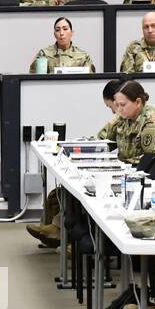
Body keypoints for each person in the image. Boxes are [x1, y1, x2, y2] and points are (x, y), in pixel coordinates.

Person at [27, 80, 121, 249]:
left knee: (79, 195)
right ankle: (58, 233)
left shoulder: (149, 122)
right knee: (62, 192)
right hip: (117, 172)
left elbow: (149, 162)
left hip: (129, 181)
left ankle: (66, 237)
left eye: (113, 106)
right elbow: (99, 141)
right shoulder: (122, 119)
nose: (114, 111)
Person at [109, 80, 155, 164]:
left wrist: (122, 164)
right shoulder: (123, 117)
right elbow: (103, 140)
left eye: (123, 105)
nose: (119, 109)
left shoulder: (152, 123)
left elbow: (152, 158)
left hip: (145, 173)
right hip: (127, 170)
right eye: (117, 105)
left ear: (138, 102)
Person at [27, 17, 95, 73]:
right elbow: (34, 79)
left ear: (72, 33)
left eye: (65, 29)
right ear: (54, 34)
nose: (61, 33)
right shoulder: (44, 54)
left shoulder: (83, 56)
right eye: (57, 30)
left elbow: (89, 81)